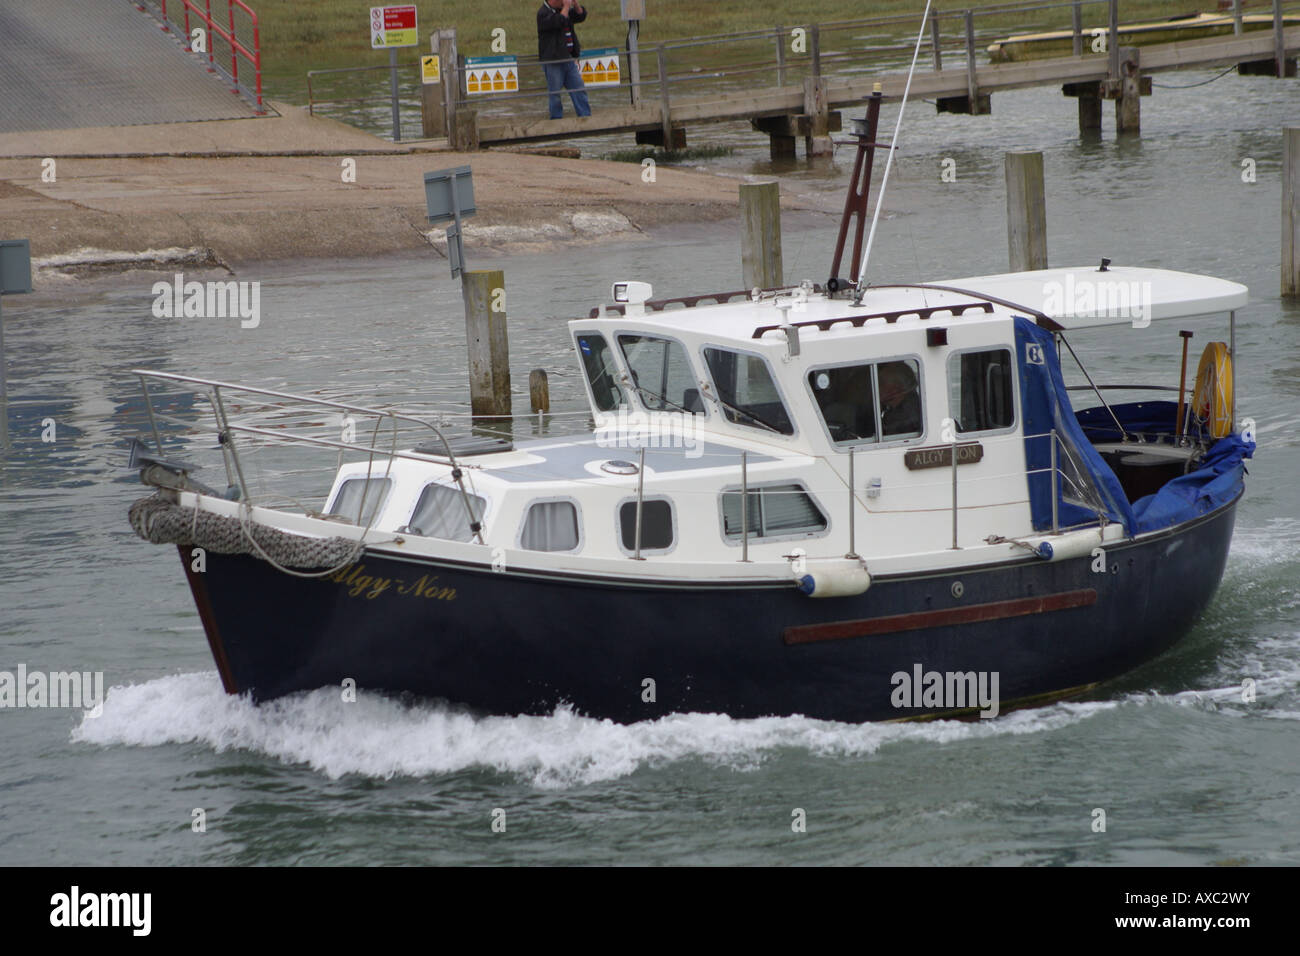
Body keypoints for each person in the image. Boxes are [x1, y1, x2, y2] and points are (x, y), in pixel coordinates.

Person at [537, 0, 592, 119]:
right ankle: (556, 119)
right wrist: (566, 6)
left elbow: (580, 16)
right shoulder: (543, 13)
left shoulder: (563, 11)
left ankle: (585, 116)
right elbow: (559, 21)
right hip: (553, 61)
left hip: (568, 59)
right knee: (555, 93)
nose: (564, 2)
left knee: (579, 88)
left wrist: (575, 3)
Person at [878, 361, 922, 437]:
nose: (877, 388)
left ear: (895, 388)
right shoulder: (893, 408)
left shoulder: (906, 415)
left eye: (881, 383)